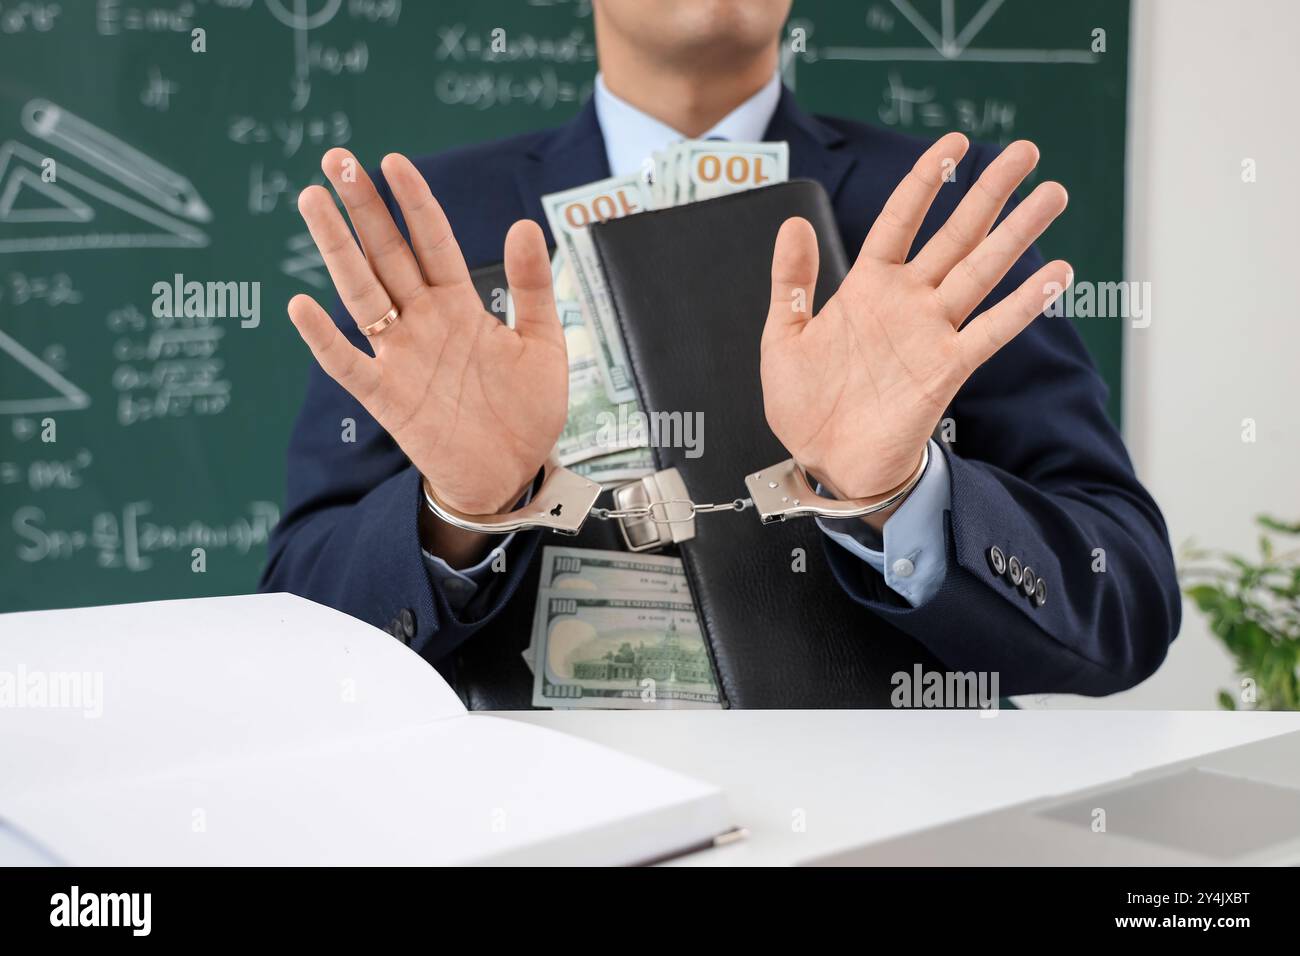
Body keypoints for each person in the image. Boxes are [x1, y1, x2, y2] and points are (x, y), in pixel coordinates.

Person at [260, 0, 1180, 703]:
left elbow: (1125, 598)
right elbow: (297, 618)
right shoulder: (430, 225)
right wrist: (459, 513)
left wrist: (901, 498)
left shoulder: (946, 211)